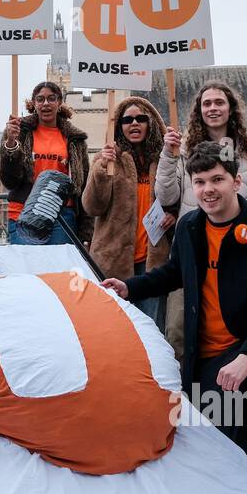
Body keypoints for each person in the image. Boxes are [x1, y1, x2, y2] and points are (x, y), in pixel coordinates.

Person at [103, 141, 247, 494]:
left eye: (217, 180)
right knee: (224, 458)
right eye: (201, 181)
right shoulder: (190, 227)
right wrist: (129, 285)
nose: (208, 190)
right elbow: (175, 273)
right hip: (212, 354)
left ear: (236, 182)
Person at [156, 81, 247, 353]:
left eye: (219, 102)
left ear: (231, 109)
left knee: (232, 330)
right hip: (193, 250)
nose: (213, 108)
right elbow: (166, 196)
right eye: (207, 103)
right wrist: (168, 157)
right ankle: (183, 394)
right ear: (198, 110)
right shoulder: (182, 149)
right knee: (178, 331)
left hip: (236, 251)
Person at [81, 96, 174, 332]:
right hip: (115, 260)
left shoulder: (164, 158)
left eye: (141, 119)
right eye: (127, 120)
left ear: (150, 122)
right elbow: (92, 206)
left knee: (152, 330)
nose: (134, 124)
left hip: (153, 262)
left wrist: (172, 213)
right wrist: (101, 168)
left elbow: (177, 196)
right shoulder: (109, 159)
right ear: (119, 125)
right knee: (116, 329)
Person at [0, 81, 92, 245]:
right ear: (34, 103)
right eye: (40, 99)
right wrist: (11, 145)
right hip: (24, 213)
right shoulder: (19, 132)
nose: (46, 103)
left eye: (51, 98)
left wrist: (87, 231)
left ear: (59, 102)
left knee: (58, 269)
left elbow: (83, 185)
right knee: (26, 269)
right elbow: (9, 181)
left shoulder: (75, 139)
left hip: (61, 215)